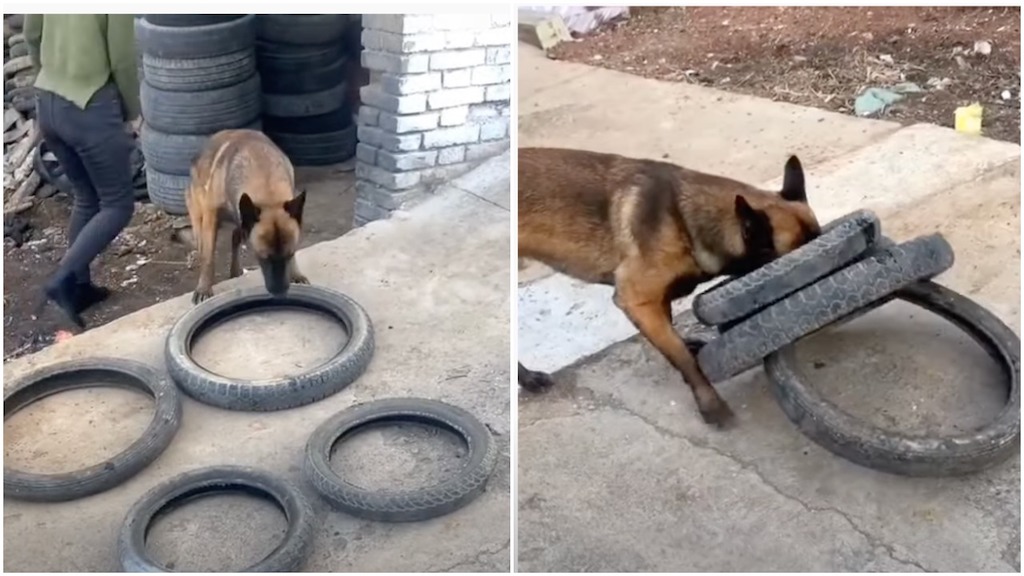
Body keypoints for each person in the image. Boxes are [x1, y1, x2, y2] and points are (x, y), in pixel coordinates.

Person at [24, 14, 141, 329]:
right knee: (117, 205)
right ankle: (62, 279)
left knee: (87, 197)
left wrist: (45, 78)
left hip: (48, 102)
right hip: (90, 106)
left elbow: (32, 32)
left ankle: (80, 287)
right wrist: (133, 111)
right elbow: (123, 58)